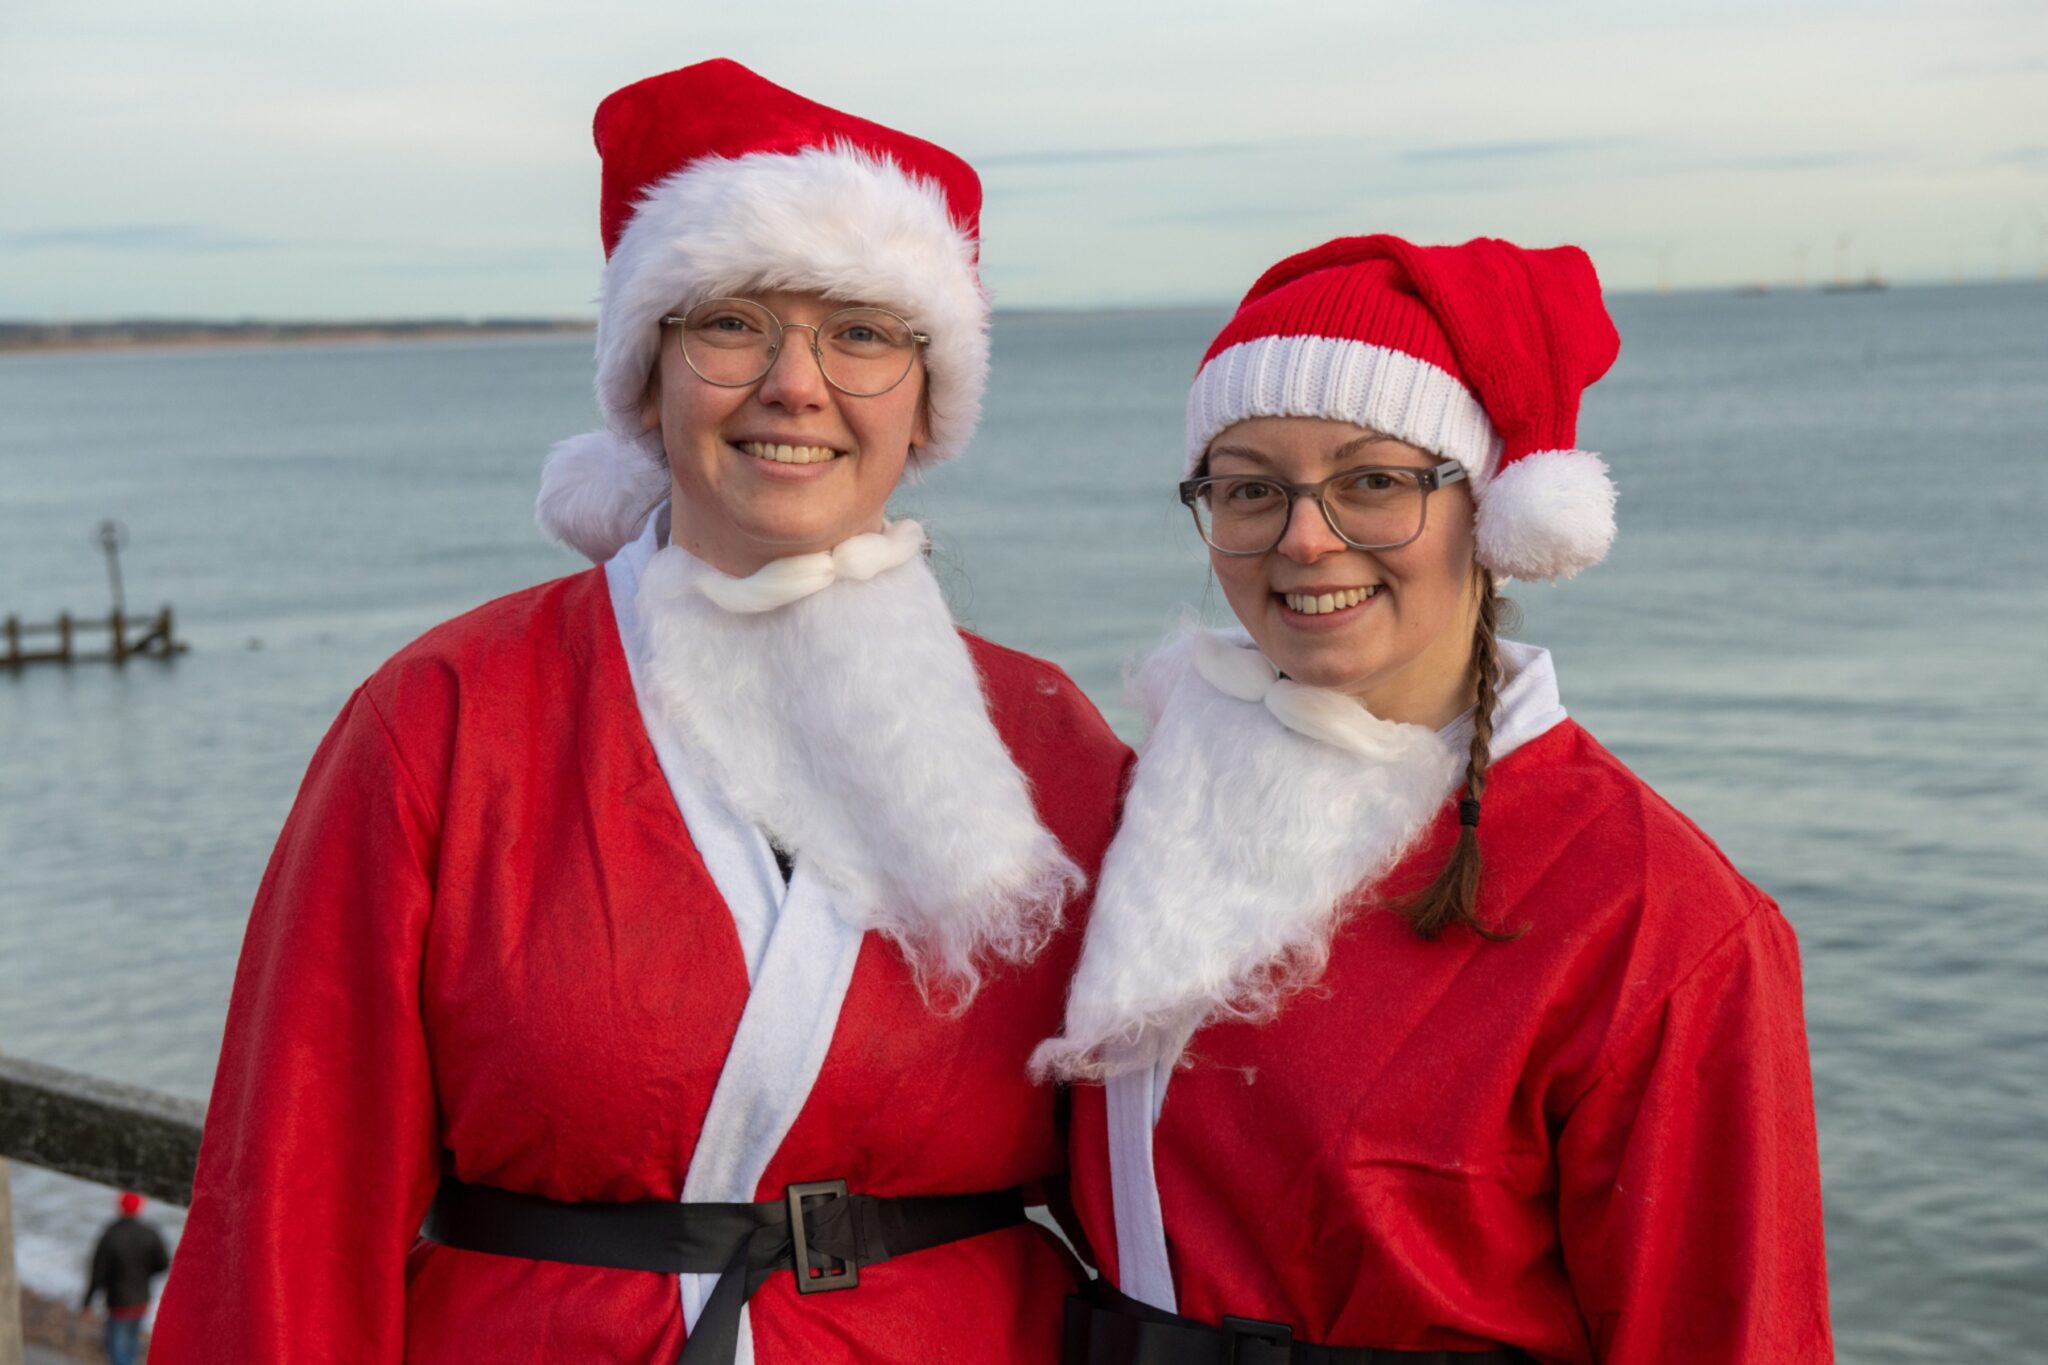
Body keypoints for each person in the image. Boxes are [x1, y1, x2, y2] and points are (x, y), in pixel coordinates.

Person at [151, 59, 1129, 1363]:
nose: (795, 382)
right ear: (650, 372)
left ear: (925, 395)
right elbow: (294, 1198)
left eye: (861, 333)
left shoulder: (1051, 735)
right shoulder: (445, 718)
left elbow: (1187, 1167)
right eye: (730, 323)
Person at [1035, 235, 1833, 1362]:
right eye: (1249, 488)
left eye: (1373, 481)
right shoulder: (1148, 810)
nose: (1303, 538)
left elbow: (1726, 1332)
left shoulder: (1653, 915)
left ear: (1492, 513)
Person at [82, 1191, 170, 1365]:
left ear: (119, 1206)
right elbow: (163, 1264)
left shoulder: (111, 1235)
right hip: (141, 1301)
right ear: (141, 1207)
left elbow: (97, 1273)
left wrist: (87, 1302)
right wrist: (145, 1273)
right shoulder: (150, 1233)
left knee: (117, 1351)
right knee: (130, 1345)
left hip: (118, 1303)